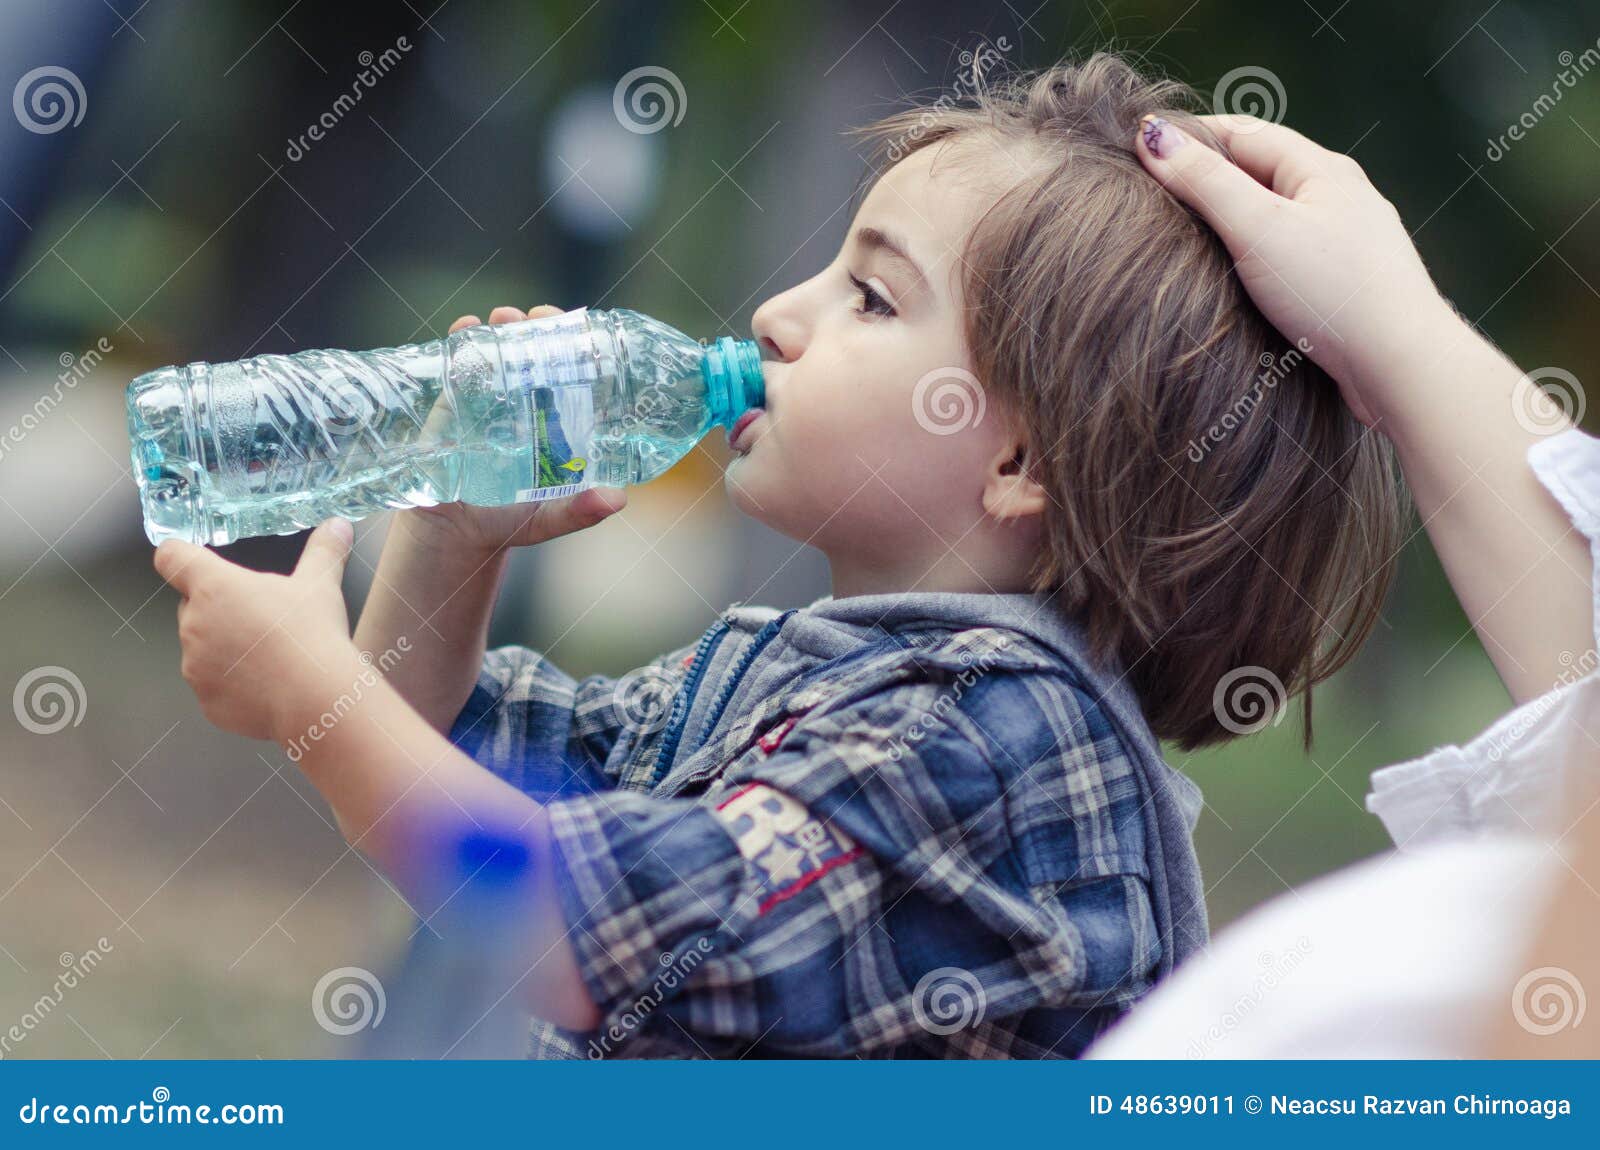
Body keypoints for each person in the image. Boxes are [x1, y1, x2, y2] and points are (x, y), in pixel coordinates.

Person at [150, 52, 1589, 1058]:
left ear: (1020, 461)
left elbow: (576, 923)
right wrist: (449, 536)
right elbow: (452, 779)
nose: (778, 316)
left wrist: (313, 699)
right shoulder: (811, 671)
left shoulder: (989, 738)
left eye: (871, 297)